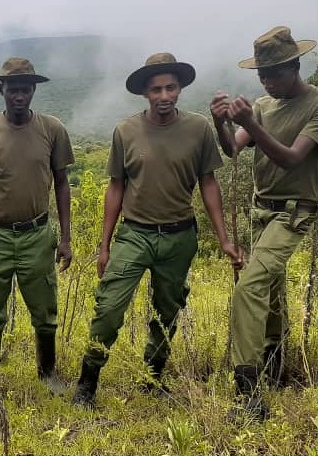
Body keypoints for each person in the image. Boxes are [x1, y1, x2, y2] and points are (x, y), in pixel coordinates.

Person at [72, 53, 242, 408]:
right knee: (109, 308)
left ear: (180, 89)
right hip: (134, 234)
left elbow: (208, 183)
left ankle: (153, 378)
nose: (164, 96)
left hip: (180, 235)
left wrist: (223, 238)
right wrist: (104, 246)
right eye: (156, 90)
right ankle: (87, 385)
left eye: (170, 88)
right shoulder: (126, 131)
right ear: (145, 94)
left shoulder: (198, 129)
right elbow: (116, 187)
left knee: (167, 312)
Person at [212, 26, 318, 420]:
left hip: (294, 213)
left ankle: (249, 393)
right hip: (261, 210)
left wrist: (251, 124)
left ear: (295, 66)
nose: (268, 82)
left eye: (275, 74)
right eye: (262, 75)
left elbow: (290, 158)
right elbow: (232, 150)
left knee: (248, 288)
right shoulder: (264, 106)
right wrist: (219, 122)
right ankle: (275, 363)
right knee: (269, 293)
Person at [0, 57, 73, 389]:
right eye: (13, 90)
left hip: (37, 233)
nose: (19, 96)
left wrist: (66, 238)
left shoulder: (52, 129)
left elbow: (61, 182)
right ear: (2, 90)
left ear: (33, 90)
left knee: (44, 309)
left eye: (25, 90)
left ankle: (47, 374)